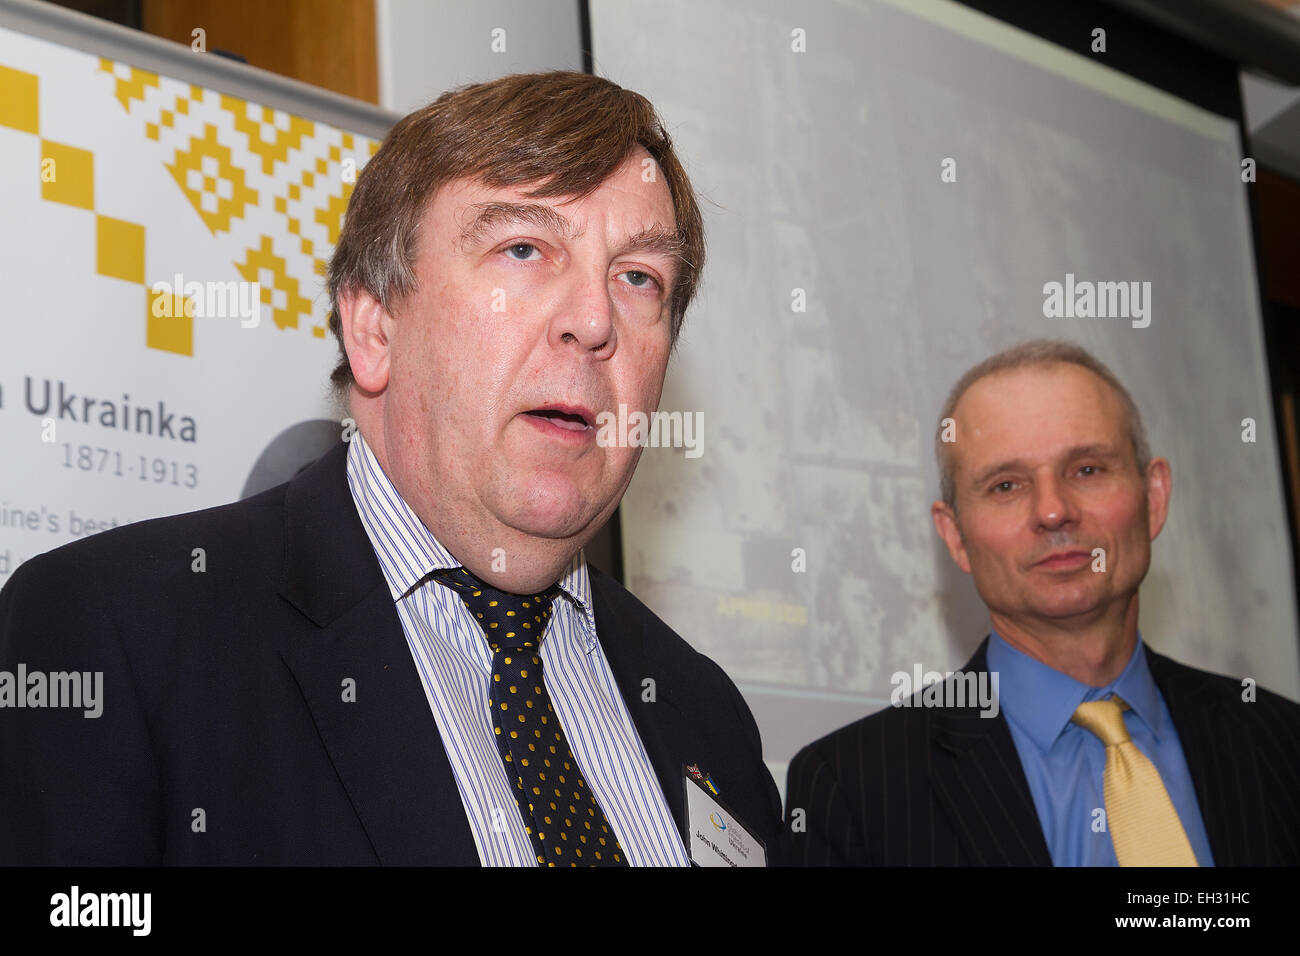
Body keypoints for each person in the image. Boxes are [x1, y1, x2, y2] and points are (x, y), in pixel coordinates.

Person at [0, 71, 781, 866]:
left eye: (638, 277)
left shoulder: (706, 714)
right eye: (523, 249)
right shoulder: (113, 633)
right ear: (374, 326)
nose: (593, 321)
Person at [785, 339, 1300, 866]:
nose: (1053, 512)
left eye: (1087, 470)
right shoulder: (854, 789)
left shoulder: (1281, 745)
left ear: (1154, 498)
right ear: (955, 534)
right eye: (1007, 485)